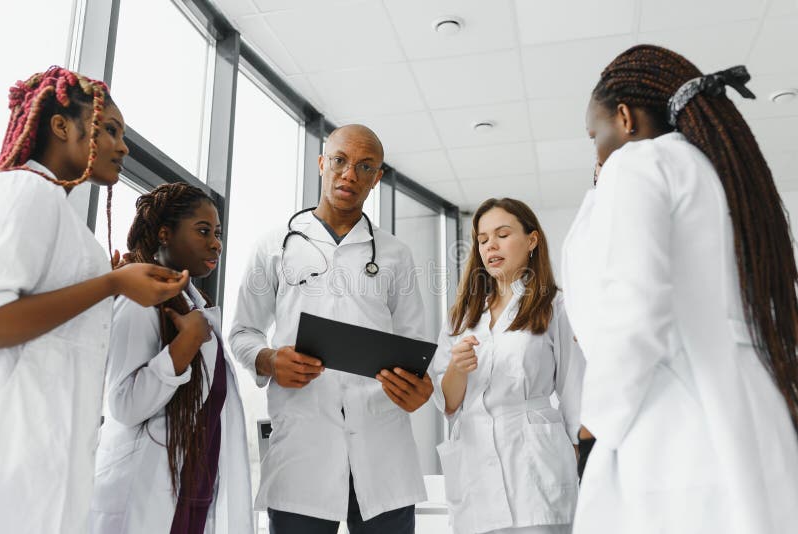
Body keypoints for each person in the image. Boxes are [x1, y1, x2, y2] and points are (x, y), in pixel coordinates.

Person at [561, 44, 798, 534]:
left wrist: (595, 424)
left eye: (594, 135)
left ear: (624, 118)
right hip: (753, 417)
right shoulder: (717, 174)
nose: (597, 151)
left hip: (674, 431)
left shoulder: (638, 164)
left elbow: (636, 307)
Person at [0, 67, 188, 533]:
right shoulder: (27, 190)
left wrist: (110, 279)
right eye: (110, 130)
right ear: (61, 127)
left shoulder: (55, 210)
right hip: (18, 463)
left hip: (49, 464)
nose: (123, 147)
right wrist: (112, 286)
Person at [230, 124, 432, 533]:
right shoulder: (274, 245)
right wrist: (268, 359)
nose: (349, 174)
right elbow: (242, 333)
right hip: (304, 445)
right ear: (322, 163)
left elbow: (417, 346)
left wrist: (422, 386)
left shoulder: (395, 254)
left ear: (377, 178)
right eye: (339, 160)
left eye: (365, 166)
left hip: (381, 445)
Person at [90, 183, 253, 533]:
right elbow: (124, 405)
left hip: (191, 492)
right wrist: (185, 346)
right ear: (165, 233)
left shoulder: (195, 306)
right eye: (203, 231)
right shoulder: (138, 302)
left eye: (218, 233)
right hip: (146, 493)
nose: (216, 243)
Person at [431, 198, 584, 534]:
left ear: (532, 240)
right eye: (483, 240)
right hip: (475, 471)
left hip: (537, 470)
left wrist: (580, 452)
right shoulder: (462, 316)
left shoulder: (555, 305)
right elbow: (448, 403)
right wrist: (457, 367)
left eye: (502, 234)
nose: (491, 246)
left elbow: (574, 387)